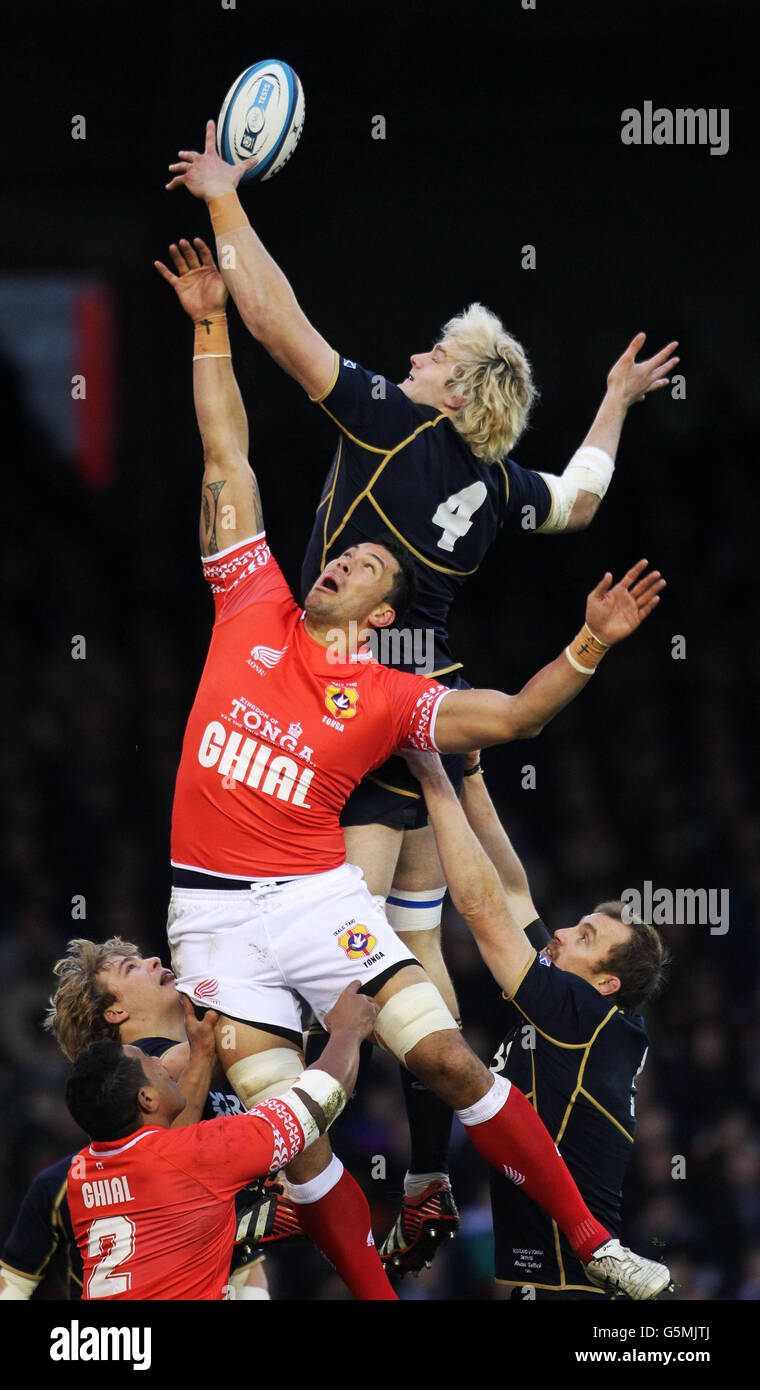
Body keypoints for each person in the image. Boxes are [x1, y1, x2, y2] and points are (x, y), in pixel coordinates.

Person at [165, 120, 679, 1267]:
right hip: (426, 706)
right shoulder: (499, 489)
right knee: (416, 953)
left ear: (455, 394)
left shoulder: (398, 428)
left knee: (308, 939)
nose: (417, 357)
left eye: (438, 356)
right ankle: (433, 1180)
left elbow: (274, 325)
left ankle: (270, 1158)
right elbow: (585, 498)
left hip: (349, 704)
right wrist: (613, 400)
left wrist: (226, 200)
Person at [400, 747, 670, 1297]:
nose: (563, 933)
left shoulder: (583, 1014)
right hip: (547, 1279)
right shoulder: (575, 1007)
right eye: (579, 923)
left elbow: (482, 908)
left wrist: (434, 778)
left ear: (606, 984)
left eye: (585, 937)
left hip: (569, 1287)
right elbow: (514, 889)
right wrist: (471, 773)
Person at [0, 938, 281, 1301]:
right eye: (129, 968)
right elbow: (233, 1036)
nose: (152, 960)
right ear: (115, 1012)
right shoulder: (167, 1068)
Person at [65, 982, 376, 1300]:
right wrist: (347, 1031)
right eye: (150, 1062)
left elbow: (162, 1161)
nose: (161, 1063)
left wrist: (201, 1056)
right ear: (146, 1098)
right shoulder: (196, 1154)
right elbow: (312, 1105)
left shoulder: (82, 1172)